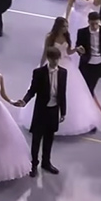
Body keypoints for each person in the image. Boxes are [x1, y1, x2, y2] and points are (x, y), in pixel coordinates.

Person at [20, 47, 68, 176]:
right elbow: (32, 90)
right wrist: (24, 101)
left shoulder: (63, 73)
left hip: (53, 110)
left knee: (49, 138)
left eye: (57, 59)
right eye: (53, 59)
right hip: (41, 111)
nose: (56, 61)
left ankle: (46, 162)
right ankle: (34, 164)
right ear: (49, 58)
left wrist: (63, 111)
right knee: (36, 140)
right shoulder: (39, 73)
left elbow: (62, 93)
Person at [75, 12, 101, 94]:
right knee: (85, 84)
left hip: (100, 62)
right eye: (92, 24)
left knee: (92, 84)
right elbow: (78, 44)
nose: (94, 26)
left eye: (96, 24)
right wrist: (80, 50)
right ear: (88, 22)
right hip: (87, 62)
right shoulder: (82, 32)